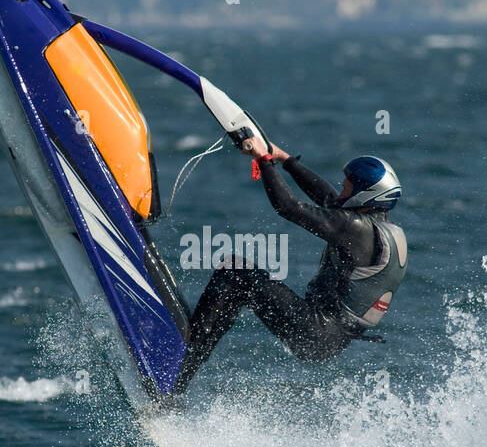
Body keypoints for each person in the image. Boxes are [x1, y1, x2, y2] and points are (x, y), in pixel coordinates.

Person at [171, 134, 407, 395]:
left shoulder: (355, 229)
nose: (340, 192)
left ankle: (181, 369)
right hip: (328, 337)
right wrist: (284, 159)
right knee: (238, 282)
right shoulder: (378, 228)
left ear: (365, 195)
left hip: (316, 329)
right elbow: (329, 199)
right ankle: (189, 355)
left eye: (347, 189)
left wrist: (264, 160)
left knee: (235, 273)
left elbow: (288, 207)